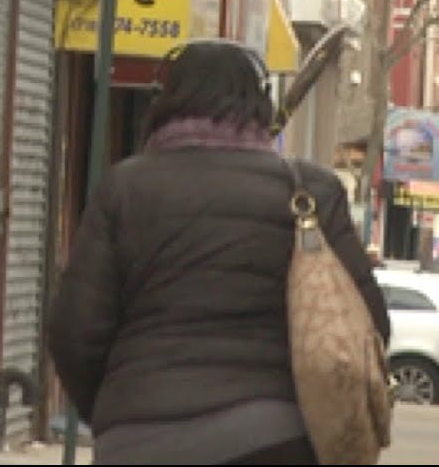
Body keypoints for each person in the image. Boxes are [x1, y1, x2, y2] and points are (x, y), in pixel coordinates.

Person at [46, 41, 390, 466]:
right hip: (274, 436)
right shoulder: (311, 193)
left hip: (140, 436)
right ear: (260, 104)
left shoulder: (123, 188)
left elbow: (74, 331)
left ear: (166, 101)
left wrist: (118, 406)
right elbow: (367, 325)